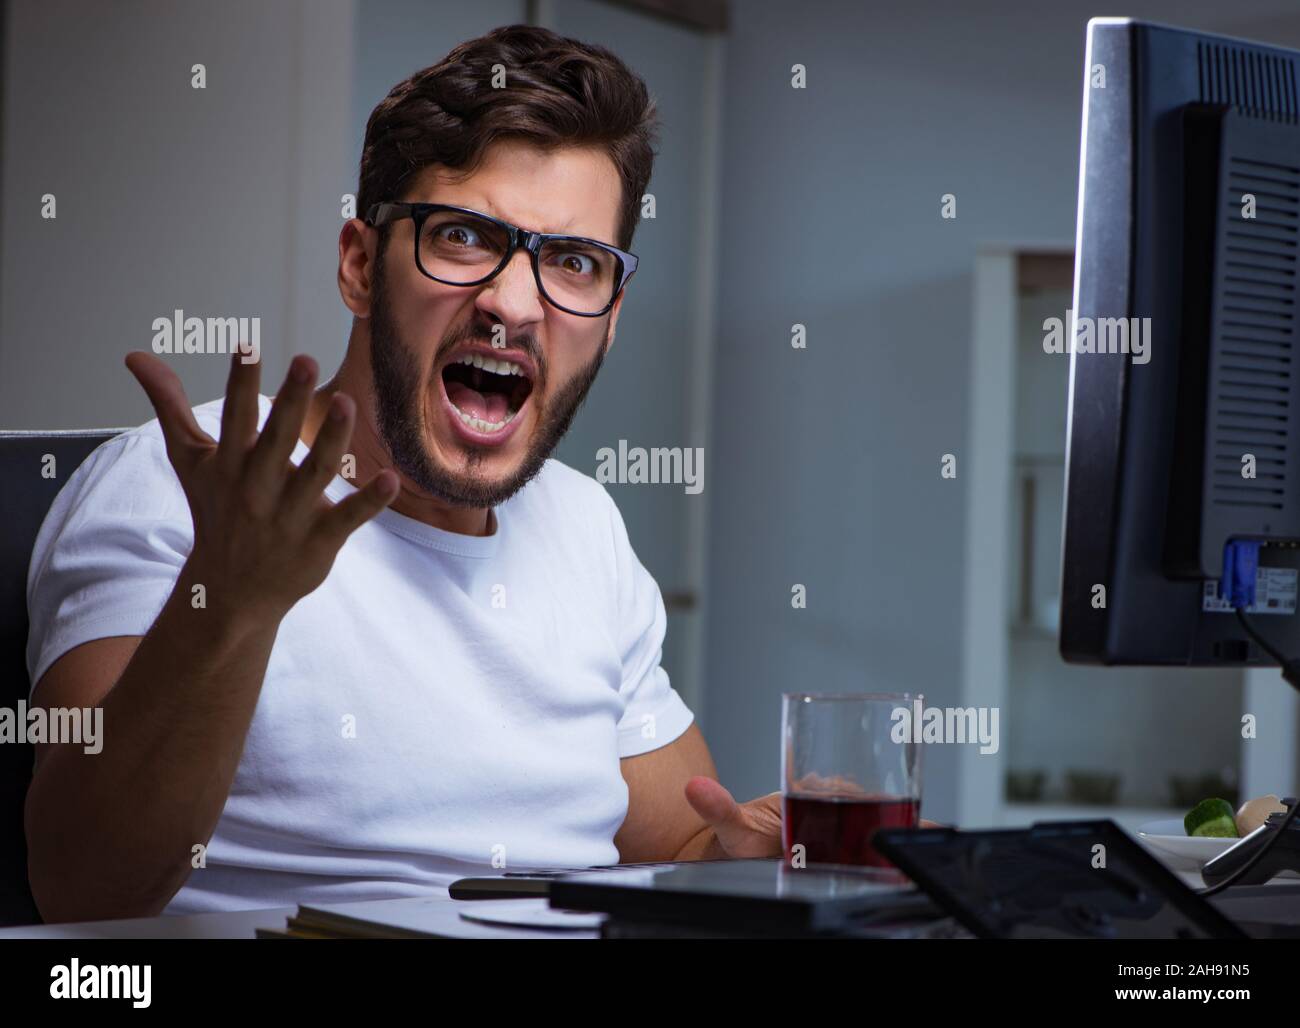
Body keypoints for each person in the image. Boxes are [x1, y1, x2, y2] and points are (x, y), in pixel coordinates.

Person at [23, 24, 782, 922]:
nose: (511, 302)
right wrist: (230, 601)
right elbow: (81, 886)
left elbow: (685, 844)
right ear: (359, 265)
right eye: (463, 237)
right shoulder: (180, 486)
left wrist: (748, 854)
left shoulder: (586, 530)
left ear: (610, 318)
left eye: (573, 263)